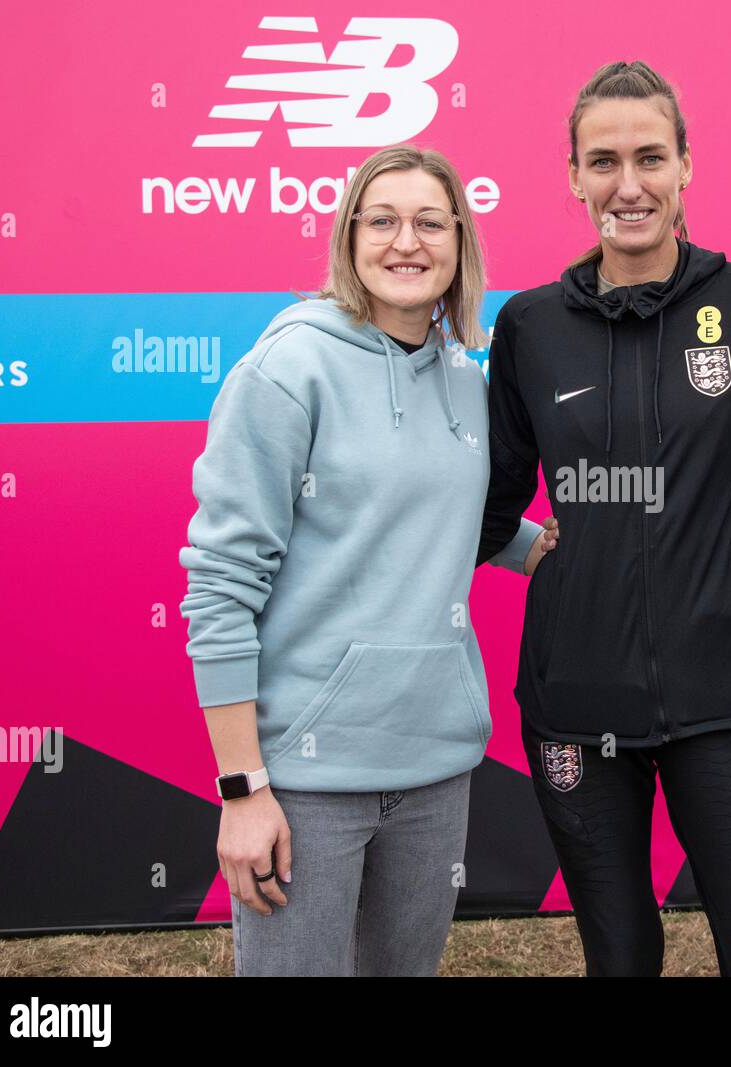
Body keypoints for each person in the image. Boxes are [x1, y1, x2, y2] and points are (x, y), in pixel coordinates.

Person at [179, 144, 557, 977]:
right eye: (380, 221)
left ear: (460, 242)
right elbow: (219, 585)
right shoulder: (288, 368)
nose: (405, 241)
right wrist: (243, 788)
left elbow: (449, 517)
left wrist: (549, 549)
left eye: (429, 221)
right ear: (348, 239)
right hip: (307, 778)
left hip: (435, 766)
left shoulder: (466, 380)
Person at [476, 60, 731, 976]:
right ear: (573, 176)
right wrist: (542, 550)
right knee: (620, 955)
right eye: (604, 161)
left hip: (724, 702)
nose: (629, 185)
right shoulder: (530, 327)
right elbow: (488, 500)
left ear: (688, 166)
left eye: (651, 157)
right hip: (575, 709)